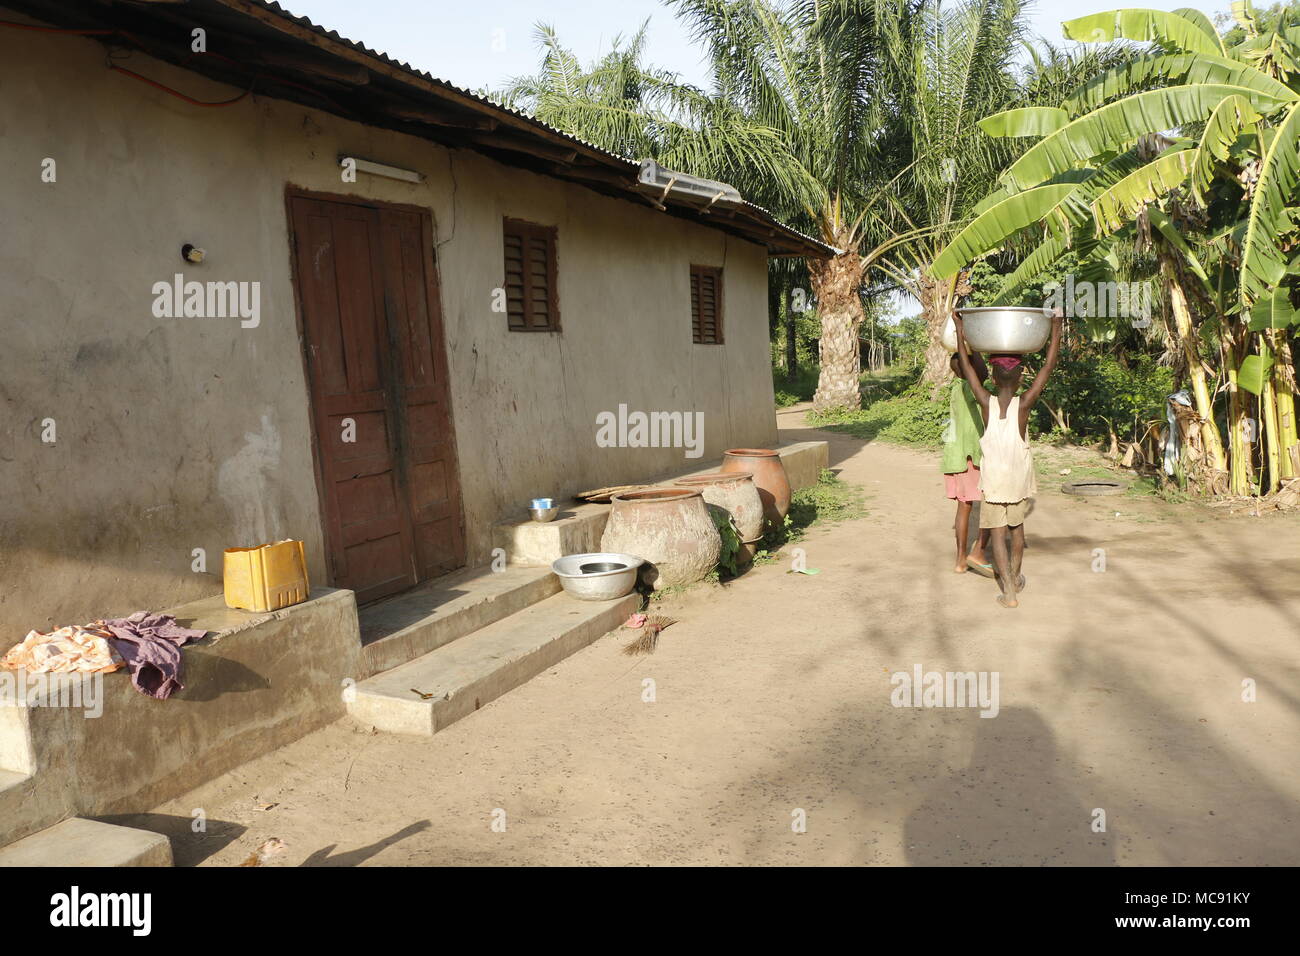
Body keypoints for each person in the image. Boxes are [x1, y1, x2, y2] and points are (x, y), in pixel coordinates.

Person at [952, 311, 1063, 608]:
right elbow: (1049, 366)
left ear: (992, 375)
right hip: (1017, 481)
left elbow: (966, 368)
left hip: (994, 483)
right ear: (1020, 376)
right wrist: (1056, 326)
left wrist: (961, 330)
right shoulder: (1024, 405)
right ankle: (1014, 577)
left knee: (997, 535)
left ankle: (1009, 594)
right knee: (1017, 532)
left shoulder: (985, 403)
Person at [943, 343, 992, 576]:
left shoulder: (955, 387)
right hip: (974, 455)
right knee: (993, 504)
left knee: (964, 507)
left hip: (956, 457)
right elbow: (981, 373)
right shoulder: (972, 389)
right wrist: (973, 345)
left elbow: (977, 371)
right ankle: (978, 551)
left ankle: (960, 560)